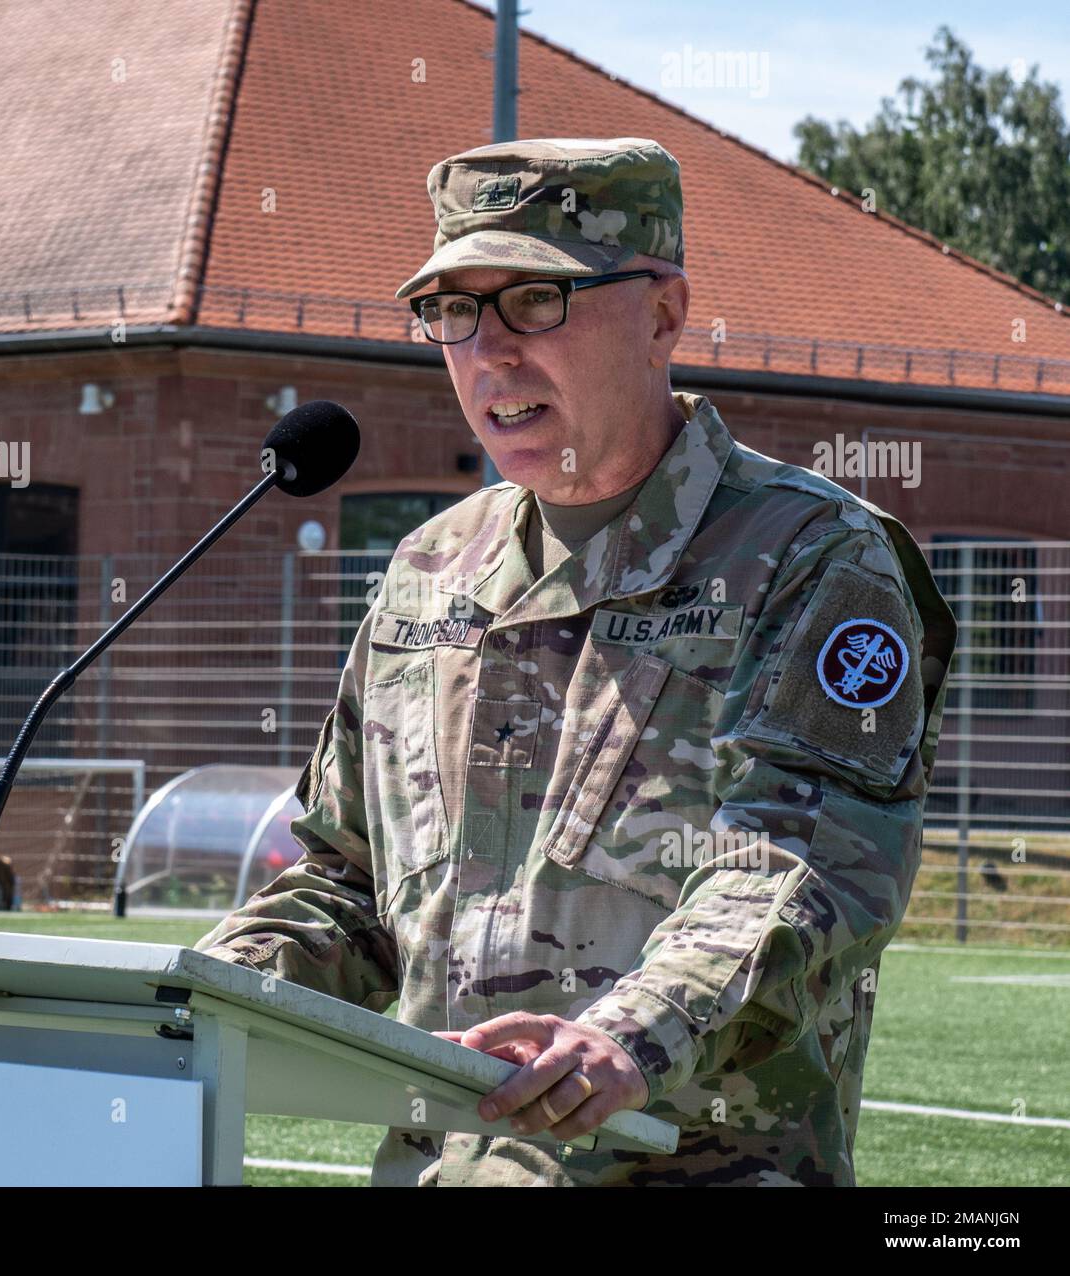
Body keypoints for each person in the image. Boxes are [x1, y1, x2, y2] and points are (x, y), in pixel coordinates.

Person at [198, 137, 956, 1186]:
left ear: (662, 313)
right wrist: (199, 988)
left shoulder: (811, 557)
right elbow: (348, 880)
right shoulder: (430, 569)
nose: (489, 352)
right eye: (453, 311)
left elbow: (802, 864)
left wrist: (628, 1038)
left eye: (535, 301)